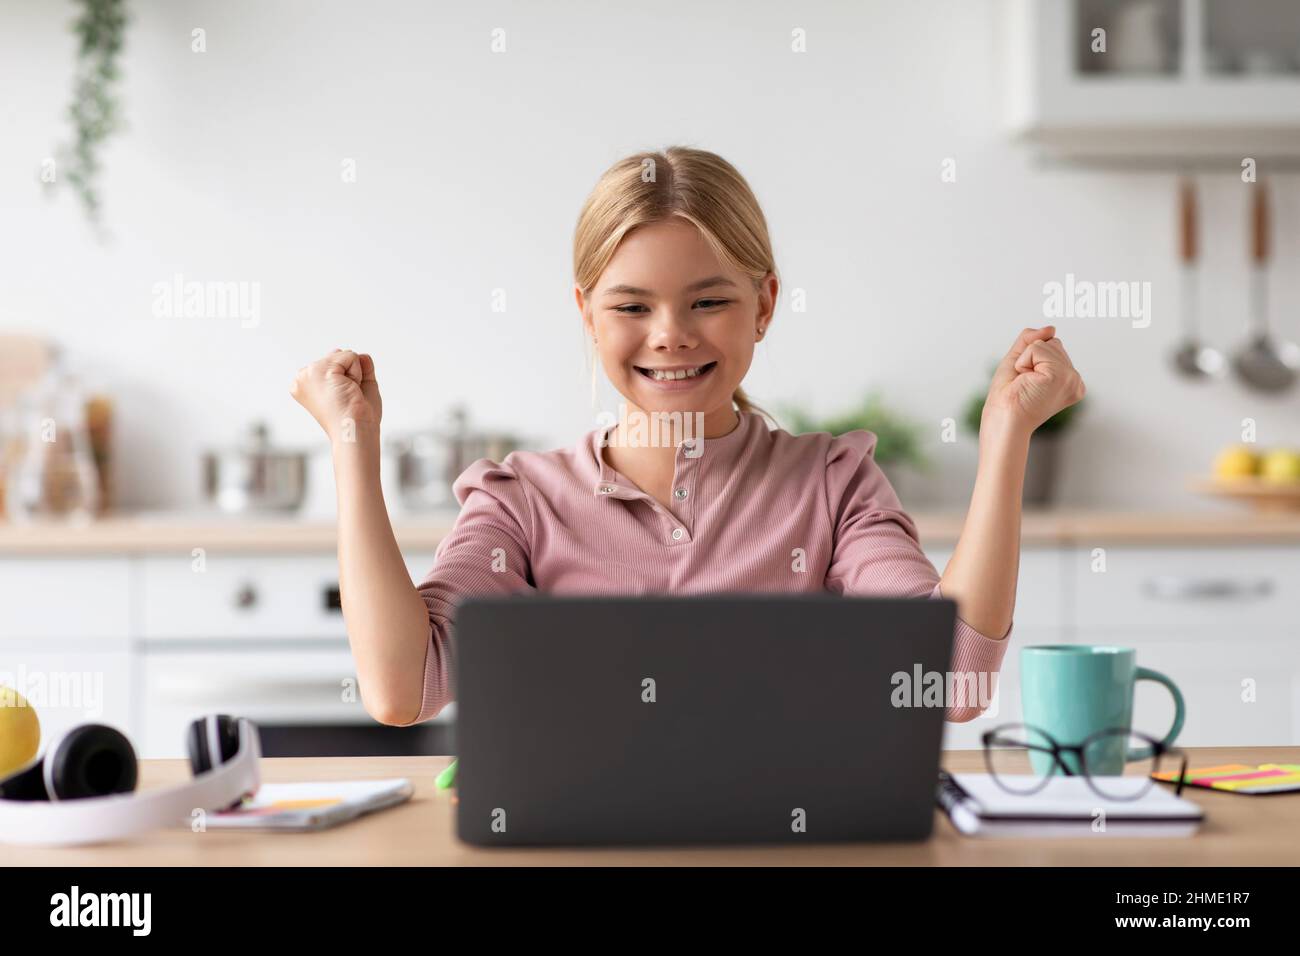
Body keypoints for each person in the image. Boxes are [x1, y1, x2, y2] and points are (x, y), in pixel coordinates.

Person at [291, 146, 1086, 727]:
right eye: (631, 307)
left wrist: (1006, 438)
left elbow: (953, 682)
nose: (670, 334)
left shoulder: (832, 484)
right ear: (586, 314)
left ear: (763, 305)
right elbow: (403, 690)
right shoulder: (524, 502)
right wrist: (353, 447)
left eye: (708, 301)